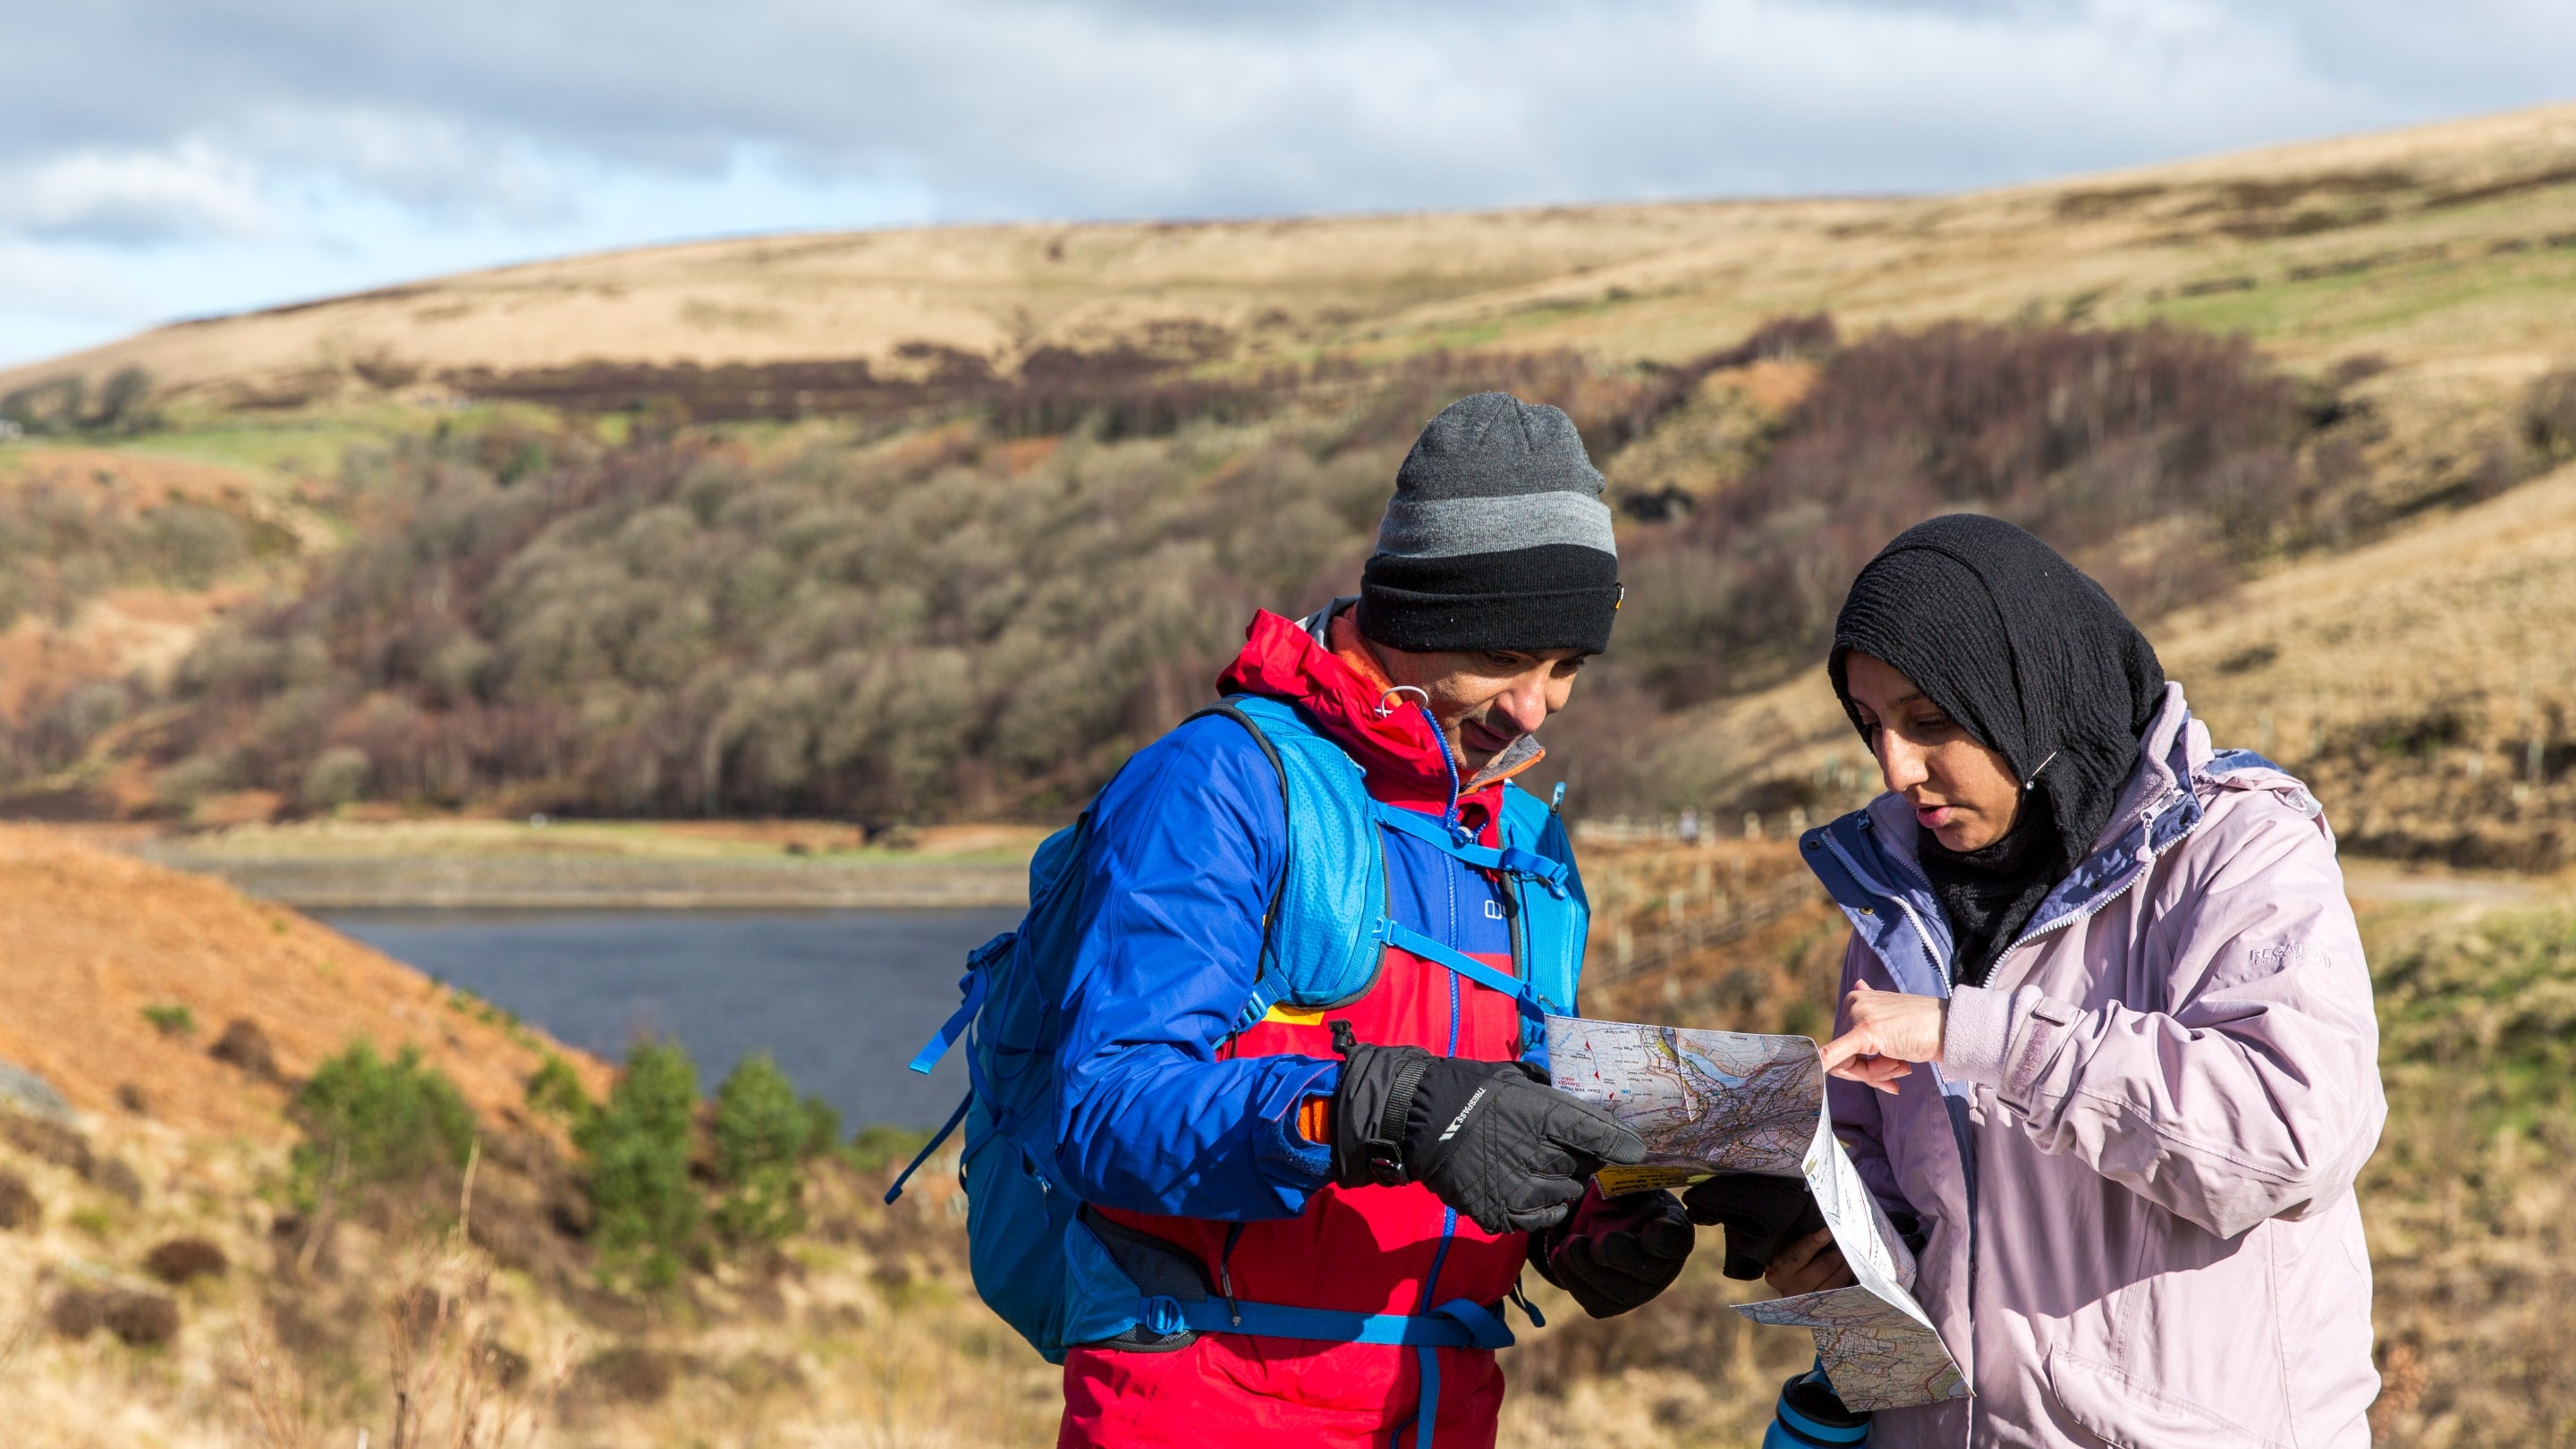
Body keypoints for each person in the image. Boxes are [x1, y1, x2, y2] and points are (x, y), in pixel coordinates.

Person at [1049, 392, 1696, 1449]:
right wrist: (1375, 1111)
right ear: (1414, 614)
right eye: (1503, 656)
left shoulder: (1523, 845)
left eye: (1567, 668)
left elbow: (1495, 1116)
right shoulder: (1219, 784)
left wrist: (1585, 1218)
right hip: (1202, 1406)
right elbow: (1106, 1105)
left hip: (1443, 1412)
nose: (1535, 708)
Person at [1777, 514, 2386, 1446]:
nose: (1897, 768)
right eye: (1872, 729)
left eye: (1930, 721)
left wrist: (1980, 1036)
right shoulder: (1897, 891)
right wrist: (1834, 1276)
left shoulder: (2239, 850)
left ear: (2029, 690)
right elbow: (1894, 1195)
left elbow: (2288, 1135)